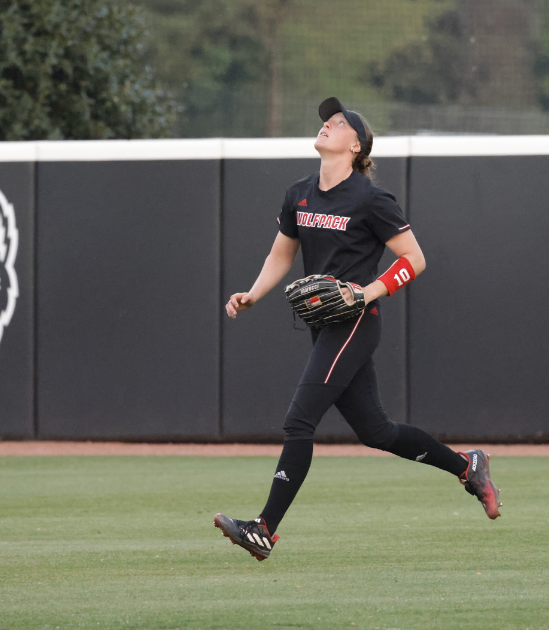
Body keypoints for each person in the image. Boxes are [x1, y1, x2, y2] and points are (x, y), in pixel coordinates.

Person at [213, 97, 501, 561]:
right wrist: (252, 293)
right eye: (326, 119)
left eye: (340, 122)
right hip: (325, 325)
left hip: (355, 322)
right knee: (378, 433)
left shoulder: (370, 199)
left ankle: (264, 529)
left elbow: (415, 259)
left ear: (356, 146)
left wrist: (365, 293)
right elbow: (281, 254)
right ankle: (467, 466)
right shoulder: (300, 193)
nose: (328, 124)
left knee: (298, 420)